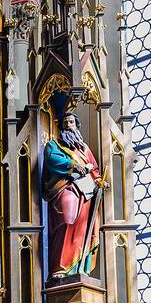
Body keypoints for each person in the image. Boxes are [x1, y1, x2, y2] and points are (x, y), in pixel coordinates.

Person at [42, 110, 103, 276]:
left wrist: (98, 180)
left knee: (84, 229)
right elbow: (53, 160)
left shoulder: (84, 149)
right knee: (67, 222)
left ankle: (79, 268)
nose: (68, 125)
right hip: (66, 189)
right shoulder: (54, 145)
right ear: (61, 127)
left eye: (71, 122)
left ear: (77, 125)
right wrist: (73, 165)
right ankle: (60, 267)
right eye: (65, 123)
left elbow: (94, 168)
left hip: (86, 193)